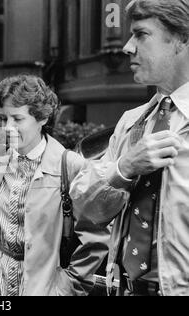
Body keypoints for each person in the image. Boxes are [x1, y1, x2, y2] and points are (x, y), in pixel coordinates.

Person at [70, 0, 189, 296]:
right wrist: (124, 168)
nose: (127, 47)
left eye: (141, 34)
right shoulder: (130, 123)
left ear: (182, 39)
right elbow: (86, 210)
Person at [0, 75, 110, 296]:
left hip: (42, 287)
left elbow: (96, 236)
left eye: (17, 119)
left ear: (42, 119)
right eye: (3, 118)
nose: (7, 128)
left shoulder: (70, 165)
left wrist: (68, 286)